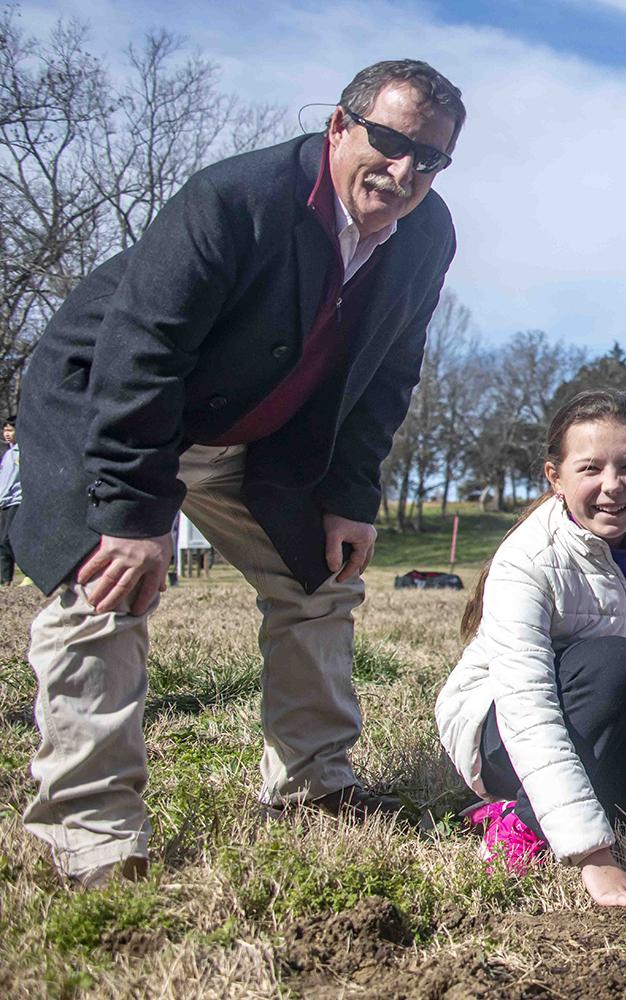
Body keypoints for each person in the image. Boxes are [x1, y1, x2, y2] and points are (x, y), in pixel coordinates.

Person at [14, 60, 465, 889]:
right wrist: (134, 511)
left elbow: (390, 370)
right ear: (340, 127)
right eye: (391, 143)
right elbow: (139, 355)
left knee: (322, 581)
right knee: (106, 590)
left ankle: (312, 785)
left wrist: (349, 498)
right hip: (115, 408)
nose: (405, 173)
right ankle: (92, 827)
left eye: (430, 158)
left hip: (259, 440)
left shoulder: (426, 235)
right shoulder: (233, 201)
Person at [436, 390, 626, 911]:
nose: (612, 487)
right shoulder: (527, 561)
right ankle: (519, 823)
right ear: (554, 477)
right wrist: (595, 859)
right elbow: (527, 708)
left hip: (614, 724)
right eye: (590, 468)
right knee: (617, 663)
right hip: (502, 729)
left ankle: (527, 809)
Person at [0, 415, 19, 584]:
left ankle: (28, 574)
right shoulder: (9, 453)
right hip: (5, 502)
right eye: (5, 430)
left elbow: (11, 479)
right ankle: (4, 579)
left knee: (7, 540)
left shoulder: (19, 453)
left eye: (10, 430)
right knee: (2, 541)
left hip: (15, 501)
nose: (7, 434)